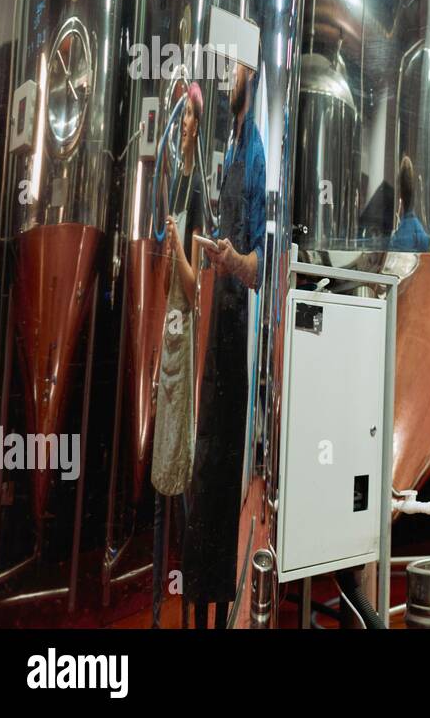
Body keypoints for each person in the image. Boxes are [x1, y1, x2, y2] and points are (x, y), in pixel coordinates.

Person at [185, 59, 266, 629]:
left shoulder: (258, 151)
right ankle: (198, 601)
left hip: (242, 335)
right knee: (204, 464)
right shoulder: (230, 146)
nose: (227, 75)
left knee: (221, 470)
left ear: (254, 75)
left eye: (236, 66)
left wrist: (231, 260)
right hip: (219, 324)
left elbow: (263, 263)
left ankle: (224, 602)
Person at [151, 78, 204, 627]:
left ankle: (187, 580)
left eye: (190, 119)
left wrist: (177, 248)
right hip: (167, 336)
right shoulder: (178, 179)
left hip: (188, 338)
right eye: (181, 120)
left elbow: (193, 287)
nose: (183, 128)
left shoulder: (201, 194)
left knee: (184, 457)